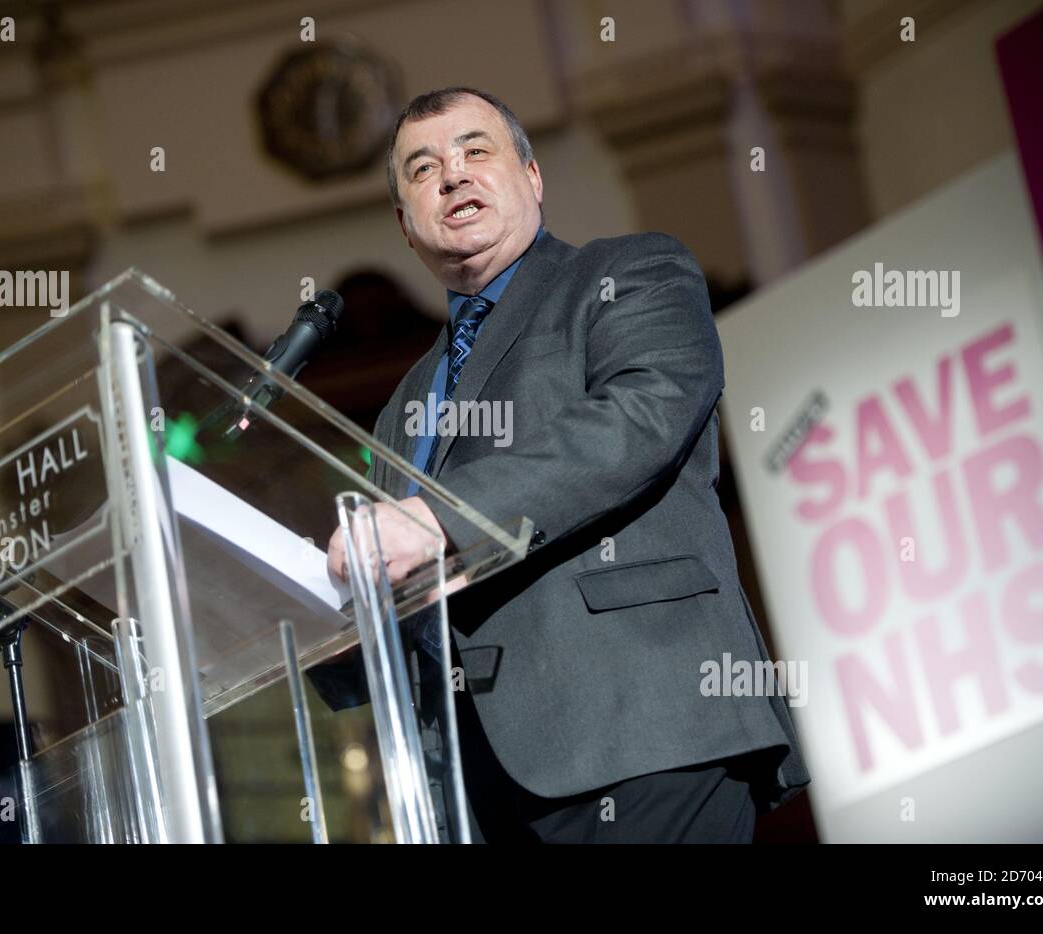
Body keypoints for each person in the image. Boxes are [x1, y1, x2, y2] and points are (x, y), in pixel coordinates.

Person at [324, 86, 809, 843]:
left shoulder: (630, 273)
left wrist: (435, 519)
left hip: (643, 729)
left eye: (475, 152)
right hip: (477, 789)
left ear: (532, 176)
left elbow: (637, 419)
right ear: (405, 225)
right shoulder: (403, 404)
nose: (451, 176)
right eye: (422, 169)